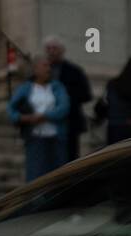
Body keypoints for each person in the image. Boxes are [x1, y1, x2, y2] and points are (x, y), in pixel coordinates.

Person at [6, 57, 70, 182]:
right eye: (45, 66)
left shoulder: (57, 87)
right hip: (35, 138)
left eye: (49, 66)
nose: (48, 69)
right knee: (36, 176)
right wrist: (23, 118)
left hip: (56, 138)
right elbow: (11, 108)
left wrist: (44, 116)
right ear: (35, 69)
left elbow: (64, 107)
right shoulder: (26, 88)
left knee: (58, 175)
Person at [44, 35, 92, 163]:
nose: (51, 52)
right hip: (46, 122)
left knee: (70, 158)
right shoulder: (41, 71)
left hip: (69, 121)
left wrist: (65, 98)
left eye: (54, 48)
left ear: (61, 50)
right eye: (48, 48)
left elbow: (86, 95)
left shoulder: (74, 71)